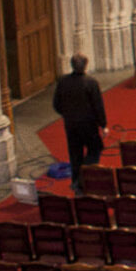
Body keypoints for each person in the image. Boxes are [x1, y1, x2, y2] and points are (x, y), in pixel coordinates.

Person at [52, 53, 107, 194]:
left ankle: (76, 181)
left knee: (75, 154)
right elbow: (98, 106)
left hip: (70, 124)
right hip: (88, 125)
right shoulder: (91, 83)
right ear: (85, 66)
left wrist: (67, 115)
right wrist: (103, 125)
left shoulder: (63, 82)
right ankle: (84, 179)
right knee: (95, 149)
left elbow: (56, 104)